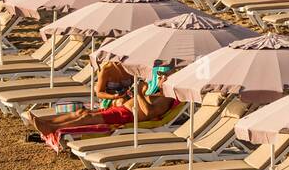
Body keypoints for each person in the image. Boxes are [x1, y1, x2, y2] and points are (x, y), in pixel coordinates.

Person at [26, 62, 179, 148]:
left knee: (87, 117)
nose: (161, 79)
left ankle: (52, 128)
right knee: (82, 112)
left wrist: (139, 94)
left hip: (126, 116)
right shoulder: (157, 92)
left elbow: (149, 113)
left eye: (164, 77)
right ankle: (48, 123)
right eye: (160, 75)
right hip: (122, 109)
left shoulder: (166, 98)